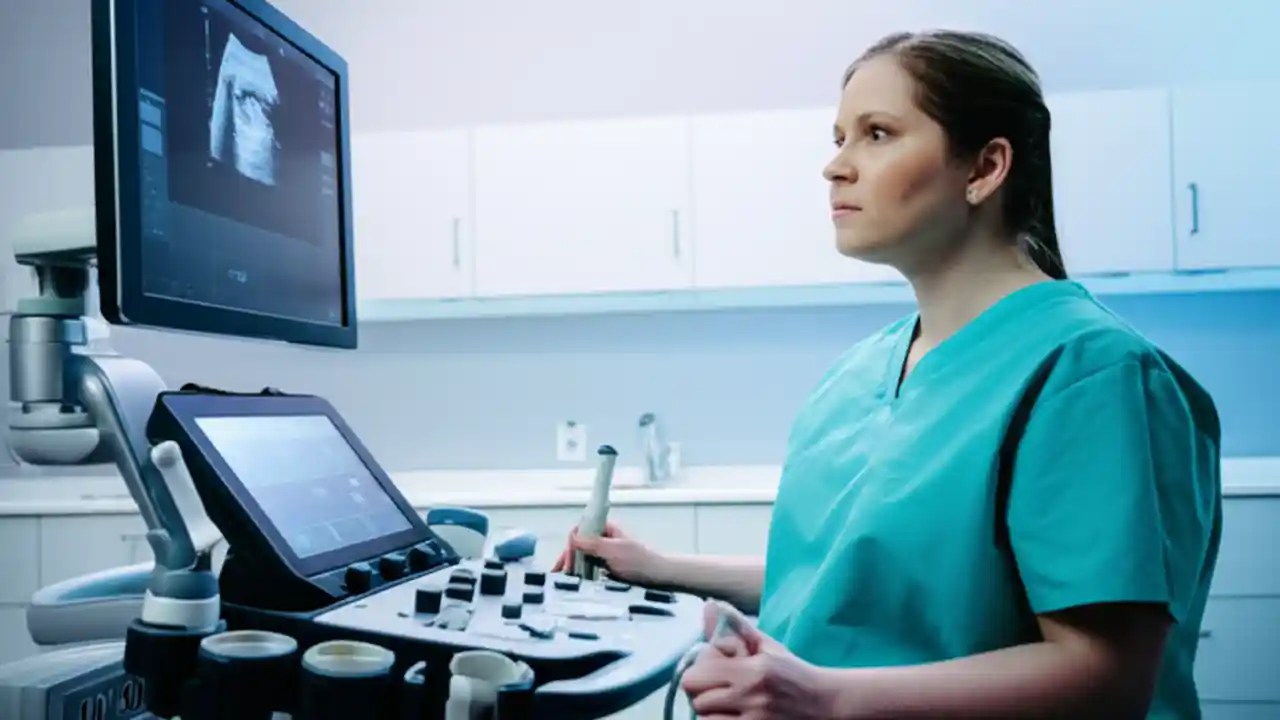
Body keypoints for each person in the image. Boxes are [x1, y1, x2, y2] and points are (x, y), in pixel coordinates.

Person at [552, 28, 1222, 719]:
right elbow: (861, 587)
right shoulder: (861, 371)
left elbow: (1105, 675)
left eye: (876, 134)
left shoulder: (1089, 374)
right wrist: (661, 570)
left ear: (985, 168)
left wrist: (822, 696)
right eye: (838, 137)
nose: (835, 167)